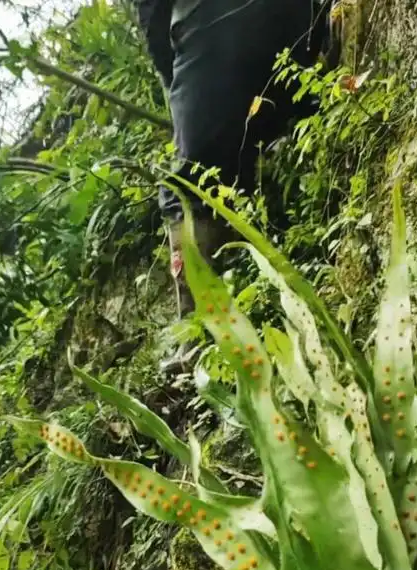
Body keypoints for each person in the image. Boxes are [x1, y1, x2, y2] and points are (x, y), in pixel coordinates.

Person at [134, 0, 332, 366]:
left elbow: (153, 17)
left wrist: (175, 75)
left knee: (187, 188)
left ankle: (199, 336)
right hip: (300, 18)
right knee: (266, 133)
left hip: (214, 25)